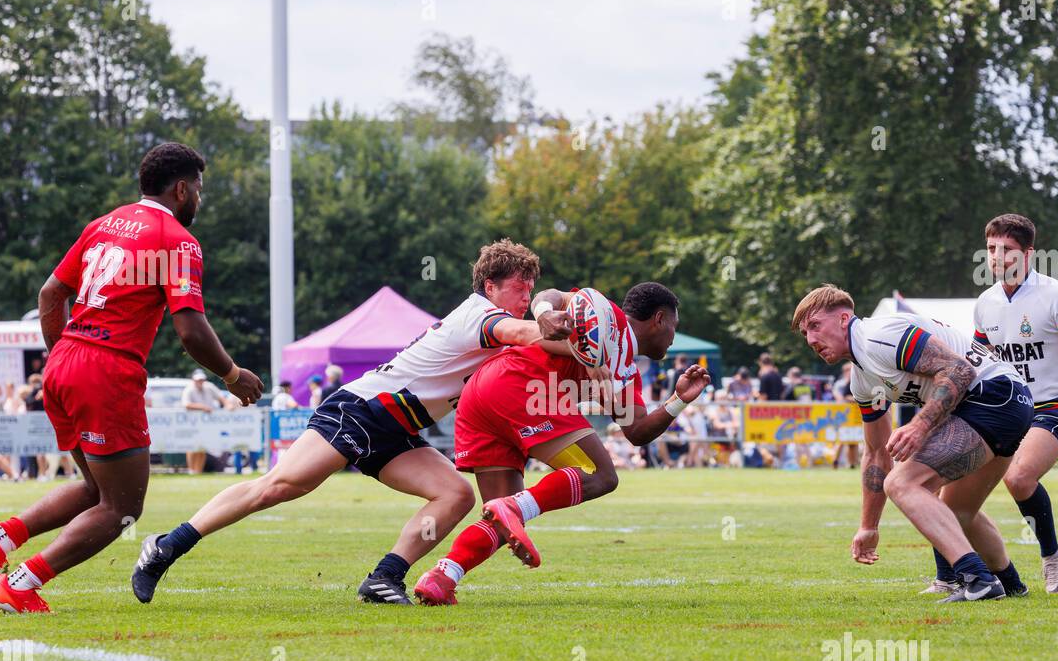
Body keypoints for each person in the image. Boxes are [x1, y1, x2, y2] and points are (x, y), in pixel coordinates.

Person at [131, 238, 573, 606]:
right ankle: (167, 546)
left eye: (531, 288)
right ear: (490, 286)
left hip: (396, 426)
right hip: (362, 409)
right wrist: (558, 325)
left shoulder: (494, 315)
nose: (526, 296)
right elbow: (521, 335)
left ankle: (385, 579)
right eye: (520, 287)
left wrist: (563, 326)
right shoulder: (482, 315)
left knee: (454, 494)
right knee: (281, 486)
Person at [0, 142, 263, 614]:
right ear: (182, 189)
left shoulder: (103, 225)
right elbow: (190, 330)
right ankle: (20, 583)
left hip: (62, 362)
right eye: (199, 190)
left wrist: (66, 355)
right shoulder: (177, 240)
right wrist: (231, 373)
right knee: (121, 507)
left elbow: (49, 294)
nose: (200, 201)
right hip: (105, 369)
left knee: (93, 490)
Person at [412, 281, 709, 605]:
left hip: (484, 395)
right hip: (519, 387)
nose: (673, 338)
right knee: (600, 474)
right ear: (660, 319)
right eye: (674, 328)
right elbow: (550, 296)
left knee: (502, 520)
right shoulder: (608, 315)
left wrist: (678, 399)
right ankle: (512, 507)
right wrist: (543, 313)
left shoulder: (625, 369)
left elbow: (637, 432)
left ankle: (442, 577)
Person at [793, 284, 1032, 602]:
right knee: (958, 510)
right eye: (805, 333)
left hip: (993, 397)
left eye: (814, 326)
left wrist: (920, 425)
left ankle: (977, 580)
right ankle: (1011, 585)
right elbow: (876, 452)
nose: (810, 340)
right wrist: (868, 527)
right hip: (1006, 403)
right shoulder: (862, 380)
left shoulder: (879, 336)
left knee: (903, 484)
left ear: (843, 318)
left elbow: (959, 370)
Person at [918, 213, 1058, 596]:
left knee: (1019, 478)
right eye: (991, 249)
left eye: (1006, 250)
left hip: (1053, 409)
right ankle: (950, 576)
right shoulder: (986, 304)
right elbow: (977, 363)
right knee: (950, 491)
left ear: (1028, 254)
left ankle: (1053, 556)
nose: (997, 257)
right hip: (1004, 410)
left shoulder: (1056, 297)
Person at [182, 368, 226, 474]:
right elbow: (186, 405)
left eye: (202, 380)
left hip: (207, 424)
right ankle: (192, 470)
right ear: (193, 380)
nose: (200, 382)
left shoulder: (209, 387)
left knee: (202, 446)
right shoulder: (189, 389)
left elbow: (222, 398)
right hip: (193, 423)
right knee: (192, 446)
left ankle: (198, 471)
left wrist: (228, 405)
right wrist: (203, 407)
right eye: (198, 380)